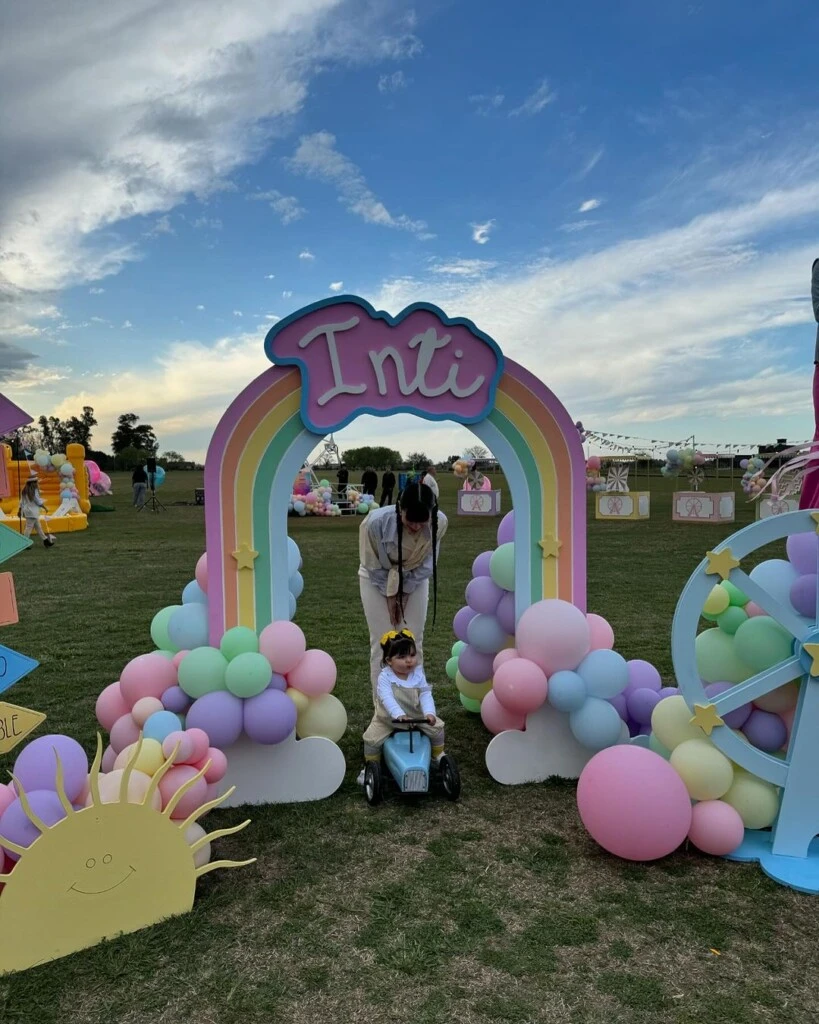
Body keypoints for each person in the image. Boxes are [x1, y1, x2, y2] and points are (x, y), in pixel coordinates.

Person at [359, 481, 447, 695]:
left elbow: (428, 564)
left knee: (413, 638)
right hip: (376, 576)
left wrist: (405, 591)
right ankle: (383, 706)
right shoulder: (375, 522)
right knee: (384, 641)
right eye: (410, 520)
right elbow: (372, 563)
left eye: (422, 521)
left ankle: (413, 702)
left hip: (415, 577)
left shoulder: (440, 522)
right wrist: (391, 596)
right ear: (400, 509)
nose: (416, 527)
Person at [362, 629, 445, 764]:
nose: (409, 660)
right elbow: (387, 697)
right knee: (371, 740)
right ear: (389, 660)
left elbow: (425, 694)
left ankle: (438, 755)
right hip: (388, 719)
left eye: (412, 655)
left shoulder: (418, 674)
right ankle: (371, 766)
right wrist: (399, 714)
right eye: (402, 657)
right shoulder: (385, 677)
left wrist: (429, 713)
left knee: (438, 729)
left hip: (416, 715)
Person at [19, 477, 54, 547]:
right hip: (33, 511)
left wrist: (20, 509)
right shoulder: (34, 491)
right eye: (36, 482)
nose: (37, 483)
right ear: (33, 483)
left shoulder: (24, 490)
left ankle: (45, 540)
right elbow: (38, 501)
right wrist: (44, 507)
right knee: (29, 527)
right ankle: (24, 543)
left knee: (38, 527)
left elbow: (21, 501)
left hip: (28, 511)